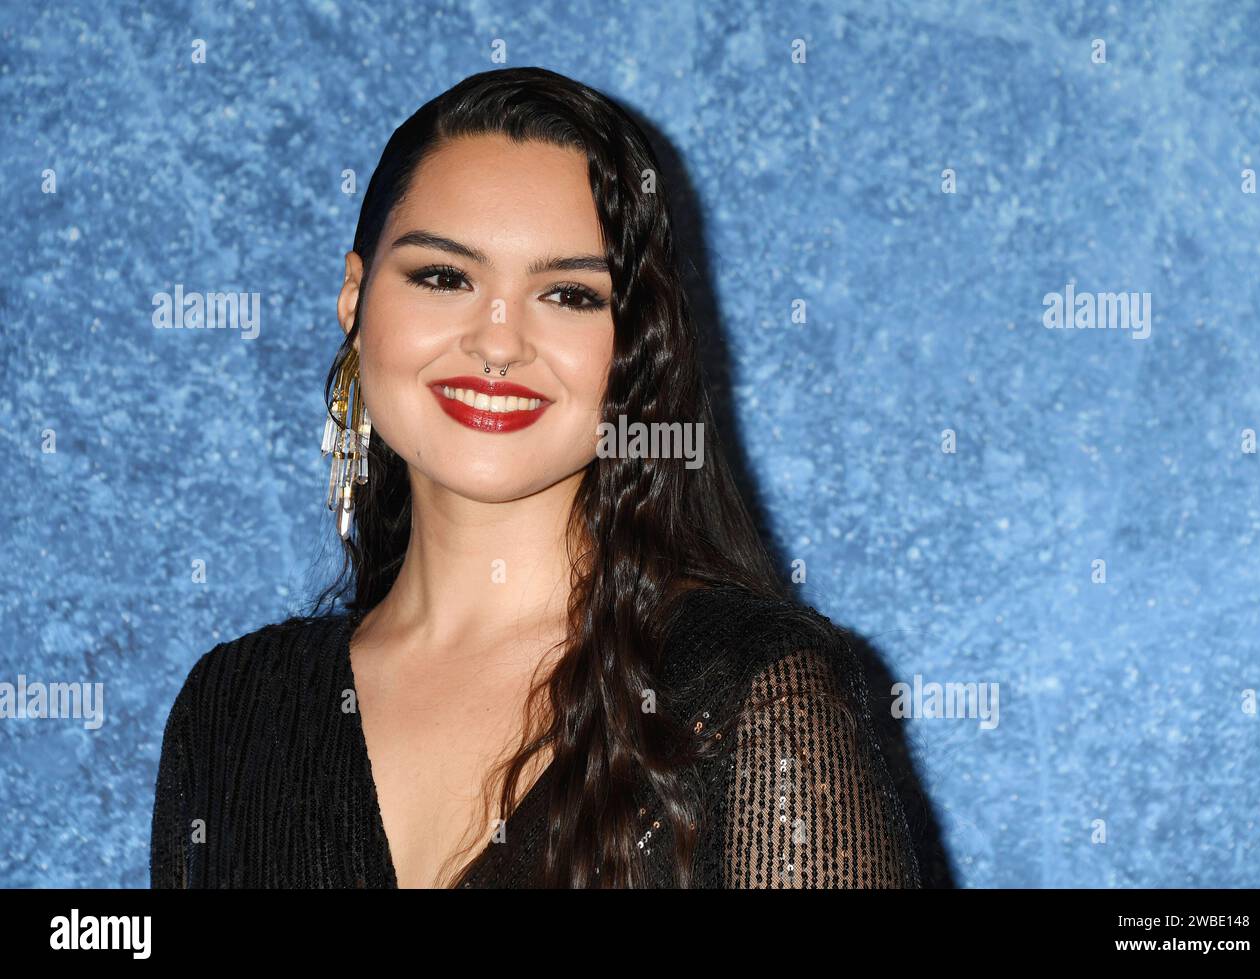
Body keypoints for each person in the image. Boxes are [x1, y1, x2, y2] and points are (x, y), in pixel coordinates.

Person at [149, 66, 921, 889]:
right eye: (444, 277)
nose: (498, 341)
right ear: (355, 296)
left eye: (567, 293)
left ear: (634, 349)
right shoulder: (233, 710)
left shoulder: (755, 694)